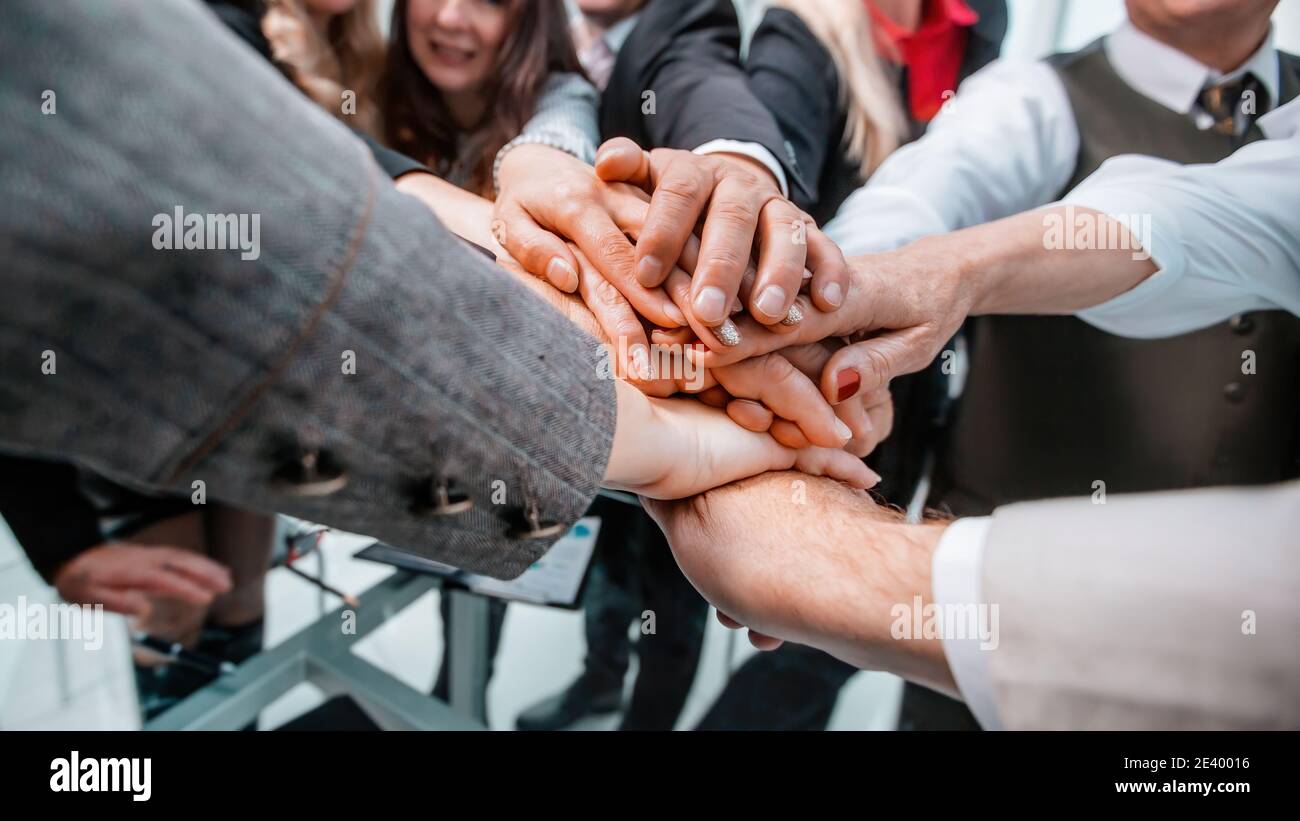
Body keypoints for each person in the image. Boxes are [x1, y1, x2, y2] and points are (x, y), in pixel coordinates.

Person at [0, 0, 875, 602]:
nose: (457, 17)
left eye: (490, 4)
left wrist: (531, 180)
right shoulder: (326, 65)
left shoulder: (601, 56)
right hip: (159, 412)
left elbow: (556, 123)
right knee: (184, 606)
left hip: (365, 430)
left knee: (230, 590)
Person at [649, 103, 1300, 728]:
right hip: (958, 651)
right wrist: (846, 299)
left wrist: (835, 561)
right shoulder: (1037, 94)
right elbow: (930, 184)